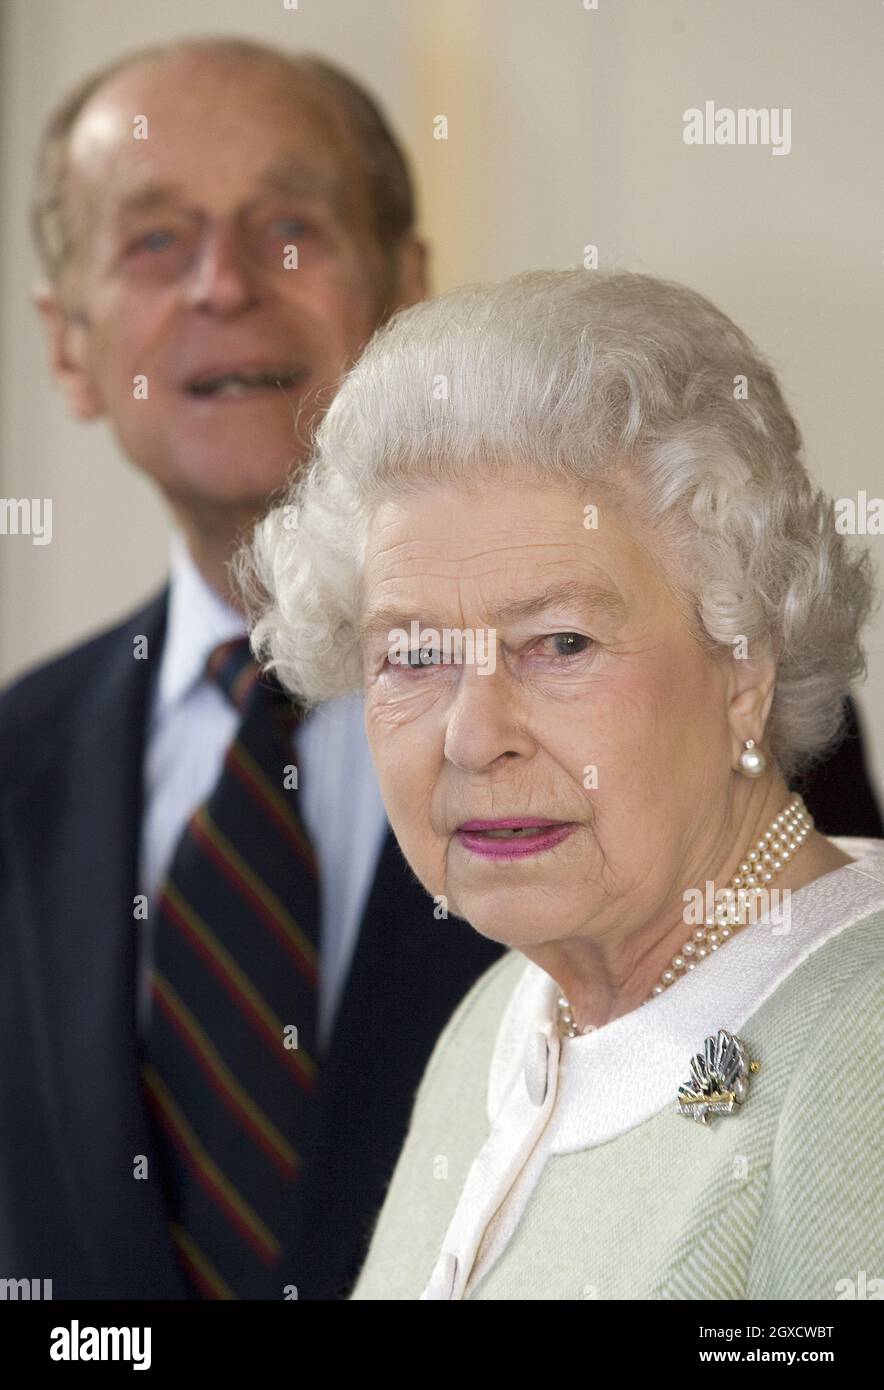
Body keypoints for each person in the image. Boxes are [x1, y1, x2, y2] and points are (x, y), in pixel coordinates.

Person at [243, 268, 884, 1299]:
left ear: (743, 666)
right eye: (412, 656)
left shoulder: (858, 1052)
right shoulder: (502, 1018)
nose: (471, 735)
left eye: (558, 642)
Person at [0, 37, 507, 1302]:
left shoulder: (685, 702)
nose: (225, 284)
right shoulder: (17, 759)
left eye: (290, 226)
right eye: (154, 241)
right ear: (68, 347)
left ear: (406, 293)